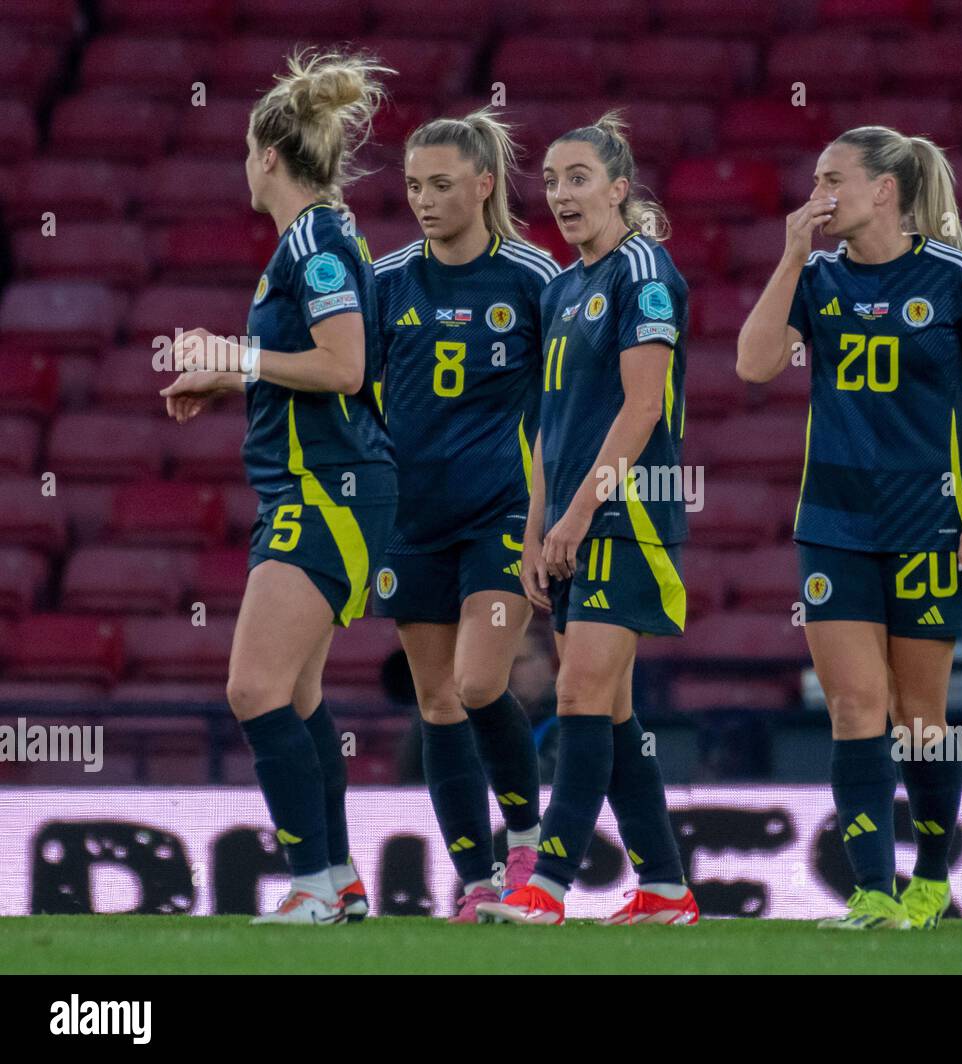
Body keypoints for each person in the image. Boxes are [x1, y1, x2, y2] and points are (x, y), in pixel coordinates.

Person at [736, 126, 962, 930]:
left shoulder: (956, 275)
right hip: (834, 523)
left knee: (920, 717)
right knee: (855, 707)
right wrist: (789, 257)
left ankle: (931, 878)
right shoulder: (817, 276)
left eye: (832, 179)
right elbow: (754, 365)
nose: (817, 193)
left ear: (884, 190)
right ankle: (871, 893)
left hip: (932, 521)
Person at [160, 49, 395, 925]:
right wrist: (230, 373)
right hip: (317, 488)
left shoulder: (316, 241)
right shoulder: (314, 242)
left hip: (327, 491)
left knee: (252, 690)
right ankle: (339, 879)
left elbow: (344, 367)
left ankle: (314, 886)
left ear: (266, 156)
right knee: (297, 698)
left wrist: (234, 361)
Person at [479, 113, 698, 926]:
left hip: (626, 514)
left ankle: (548, 885)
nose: (563, 195)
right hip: (572, 518)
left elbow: (643, 407)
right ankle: (668, 888)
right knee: (607, 707)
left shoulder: (643, 271)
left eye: (580, 179)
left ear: (619, 188)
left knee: (578, 691)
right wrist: (537, 529)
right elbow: (548, 427)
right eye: (554, 181)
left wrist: (577, 515)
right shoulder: (562, 287)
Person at [370, 110, 558, 921]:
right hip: (411, 521)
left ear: (484, 185)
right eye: (413, 185)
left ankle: (524, 833)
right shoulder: (383, 283)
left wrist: (551, 514)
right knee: (436, 701)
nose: (424, 200)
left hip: (501, 515)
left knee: (481, 684)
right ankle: (476, 880)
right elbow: (348, 384)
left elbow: (568, 402)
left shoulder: (533, 276)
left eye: (441, 185)